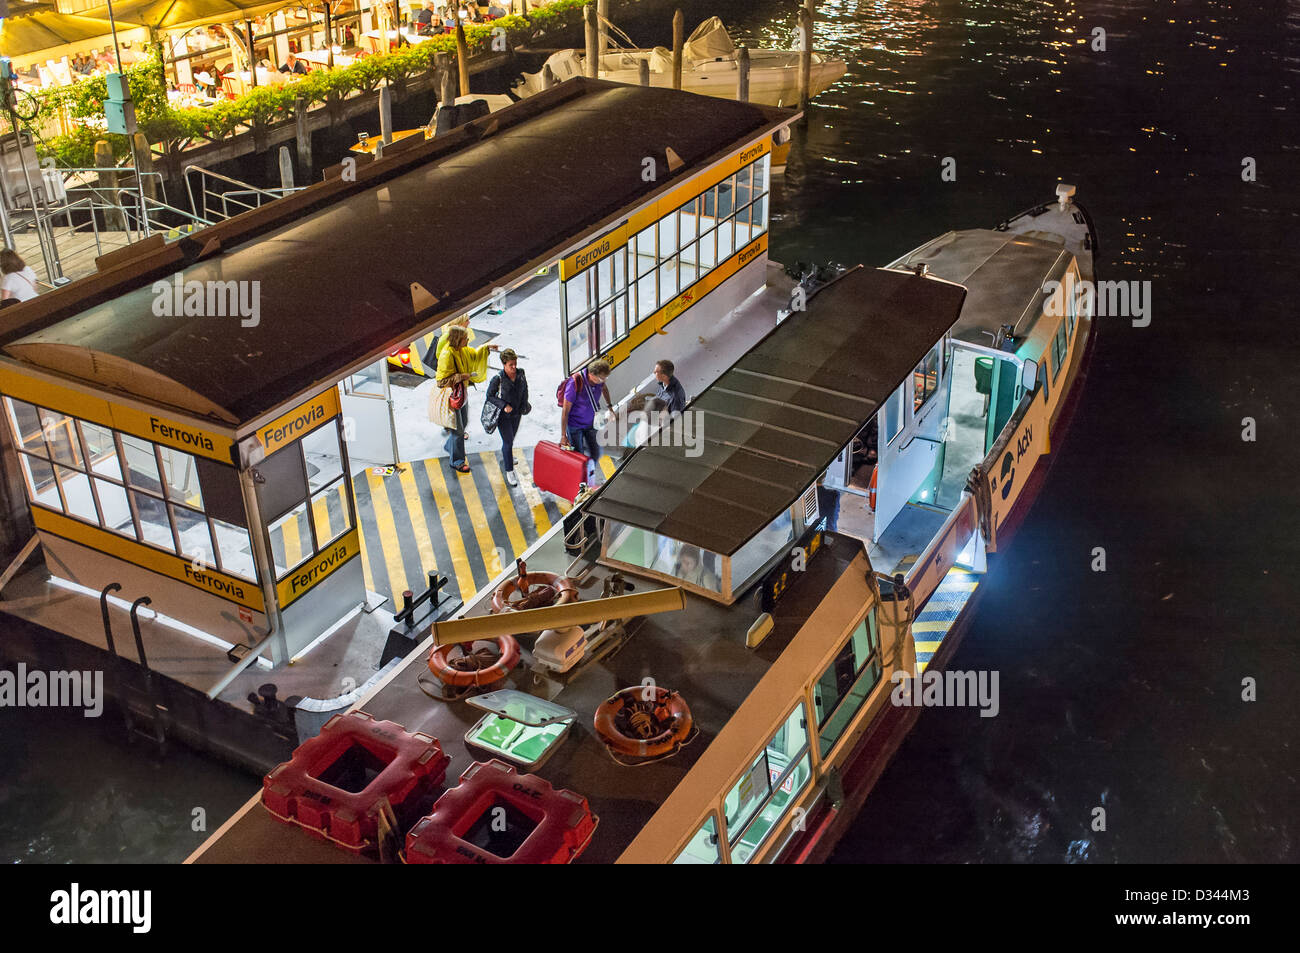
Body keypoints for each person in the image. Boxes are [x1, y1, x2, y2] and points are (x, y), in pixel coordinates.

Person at [435, 325, 498, 473]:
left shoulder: (461, 350)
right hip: (451, 396)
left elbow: (474, 355)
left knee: (464, 422)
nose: (468, 340)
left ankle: (450, 446)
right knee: (458, 430)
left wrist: (487, 348)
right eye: (465, 338)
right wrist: (462, 376)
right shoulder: (447, 355)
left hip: (461, 393)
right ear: (458, 339)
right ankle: (457, 461)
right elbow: (441, 382)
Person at [560, 359, 614, 480]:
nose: (603, 381)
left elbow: (604, 389)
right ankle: (581, 483)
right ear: (591, 374)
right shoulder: (575, 383)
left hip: (591, 423)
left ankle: (588, 474)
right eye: (601, 378)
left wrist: (610, 407)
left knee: (596, 453)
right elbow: (565, 411)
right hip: (575, 426)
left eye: (605, 378)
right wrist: (563, 435)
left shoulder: (599, 381)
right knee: (579, 457)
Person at [485, 348, 529, 486]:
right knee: (508, 442)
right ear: (504, 364)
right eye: (511, 365)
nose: (514, 367)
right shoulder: (498, 379)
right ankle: (509, 471)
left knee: (511, 439)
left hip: (517, 413)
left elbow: (525, 388)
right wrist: (503, 405)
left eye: (515, 363)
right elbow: (490, 396)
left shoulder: (521, 373)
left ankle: (507, 455)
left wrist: (524, 404)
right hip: (504, 416)